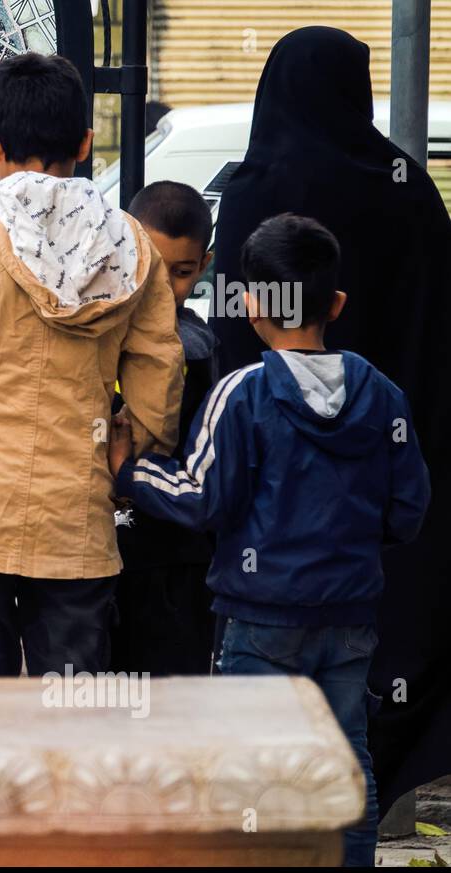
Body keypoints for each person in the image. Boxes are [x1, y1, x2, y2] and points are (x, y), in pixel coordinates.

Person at [110, 213, 431, 866]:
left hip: (259, 620)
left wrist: (128, 470)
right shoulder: (385, 397)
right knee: (345, 760)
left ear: (252, 305)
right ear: (335, 303)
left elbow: (199, 498)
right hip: (348, 618)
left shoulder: (243, 395)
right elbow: (408, 511)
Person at [209, 26, 451, 818]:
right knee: (359, 704)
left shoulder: (253, 188)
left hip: (270, 524)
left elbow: (230, 350)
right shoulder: (407, 188)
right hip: (374, 500)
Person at [0, 52, 184, 687]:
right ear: (85, 141)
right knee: (69, 734)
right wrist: (127, 451)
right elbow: (160, 379)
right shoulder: (135, 247)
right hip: (76, 522)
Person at [110, 181, 219, 676]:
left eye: (181, 272)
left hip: (176, 566)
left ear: (205, 265)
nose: (163, 285)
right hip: (99, 563)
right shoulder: (93, 333)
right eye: (150, 265)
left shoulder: (200, 351)